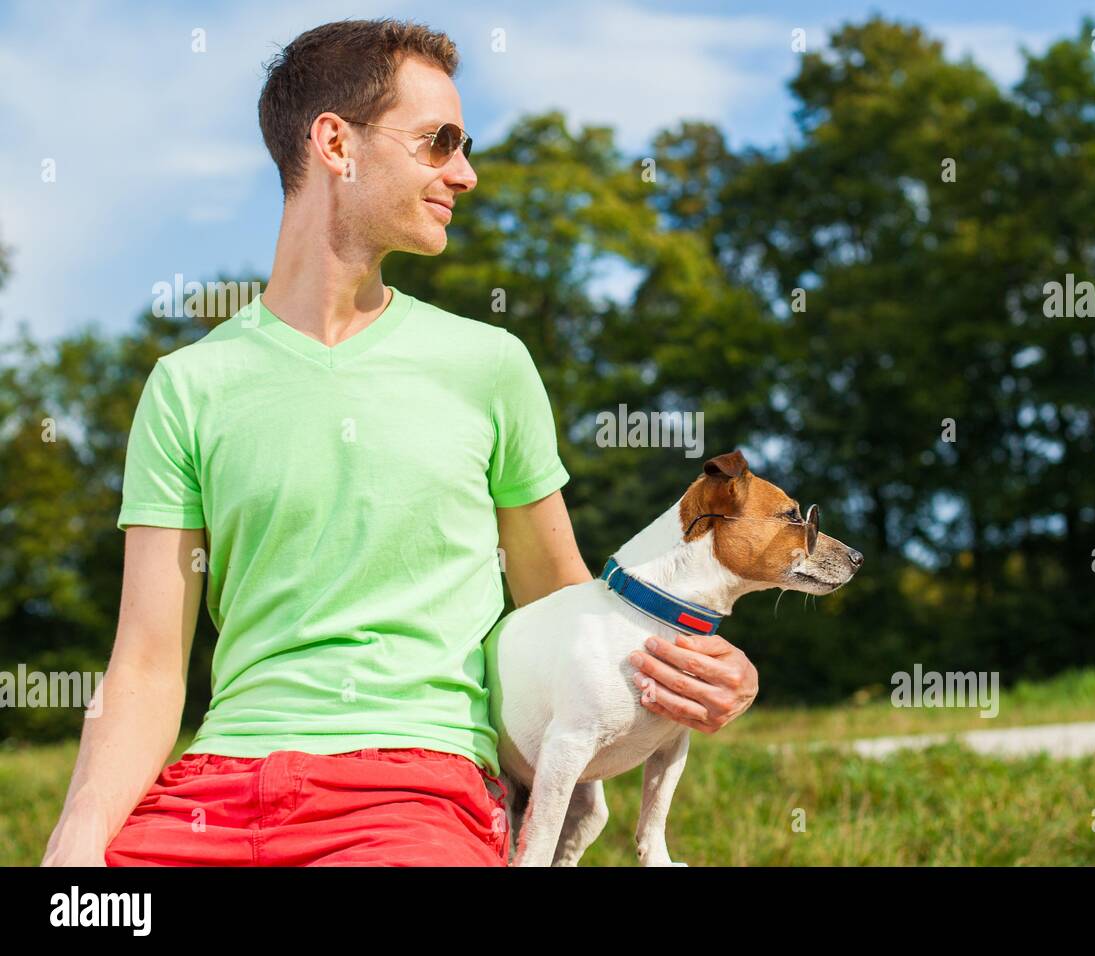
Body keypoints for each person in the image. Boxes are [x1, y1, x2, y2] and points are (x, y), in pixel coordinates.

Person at [40, 18, 758, 867]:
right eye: (439, 142)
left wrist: (709, 676)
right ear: (336, 144)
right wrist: (77, 844)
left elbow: (562, 615)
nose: (466, 172)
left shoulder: (489, 366)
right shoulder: (188, 387)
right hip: (208, 791)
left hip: (413, 794)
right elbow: (150, 668)